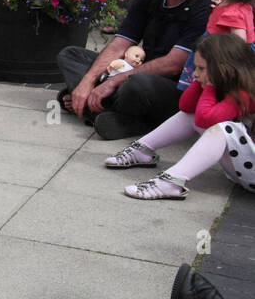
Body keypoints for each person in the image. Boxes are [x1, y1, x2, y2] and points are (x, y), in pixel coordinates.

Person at [57, 0, 213, 141]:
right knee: (72, 55)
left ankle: (104, 108)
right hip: (138, 72)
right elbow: (120, 44)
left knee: (138, 83)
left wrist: (111, 83)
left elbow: (174, 64)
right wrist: (87, 81)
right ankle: (112, 111)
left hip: (176, 89)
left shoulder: (205, 4)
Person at [107, 34, 255, 199]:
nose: (195, 73)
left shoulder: (244, 94)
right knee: (191, 114)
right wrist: (201, 83)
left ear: (225, 70)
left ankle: (171, 183)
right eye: (195, 67)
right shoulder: (228, 82)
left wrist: (210, 86)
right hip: (246, 169)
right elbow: (186, 107)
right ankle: (142, 149)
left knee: (224, 129)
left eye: (201, 69)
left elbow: (204, 119)